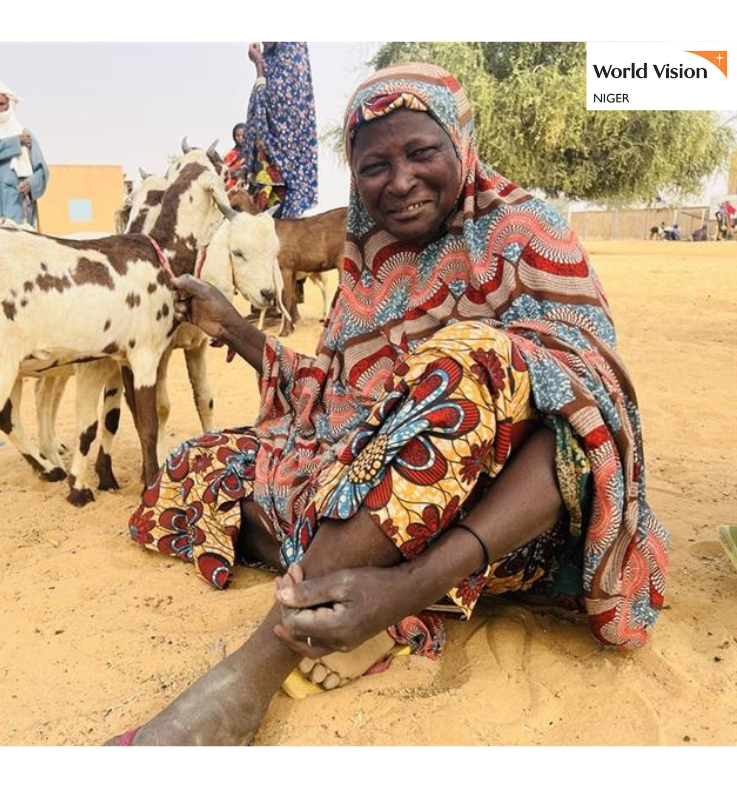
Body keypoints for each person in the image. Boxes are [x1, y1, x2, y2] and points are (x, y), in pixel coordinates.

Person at [108, 63, 669, 746]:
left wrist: (403, 587)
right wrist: (235, 328)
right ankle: (357, 598)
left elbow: (587, 430)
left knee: (474, 358)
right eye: (375, 164)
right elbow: (339, 399)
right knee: (199, 468)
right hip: (373, 497)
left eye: (421, 153)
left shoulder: (522, 233)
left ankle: (257, 670)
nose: (399, 181)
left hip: (501, 525)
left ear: (460, 142)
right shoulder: (369, 255)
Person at [243, 43, 318, 218]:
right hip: (287, 176)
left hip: (276, 181)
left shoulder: (289, 67)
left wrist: (259, 65)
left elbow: (262, 105)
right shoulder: (292, 59)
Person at [0, 81, 49, 227]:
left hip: (18, 198)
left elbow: (42, 170)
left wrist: (31, 183)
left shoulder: (24, 132)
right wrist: (15, 143)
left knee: (21, 241)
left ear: (9, 104)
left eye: (2, 104)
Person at [224, 122, 247, 191]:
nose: (240, 138)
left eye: (243, 136)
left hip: (250, 187)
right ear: (234, 136)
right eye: (238, 135)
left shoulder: (253, 153)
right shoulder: (230, 154)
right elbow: (225, 172)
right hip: (232, 189)